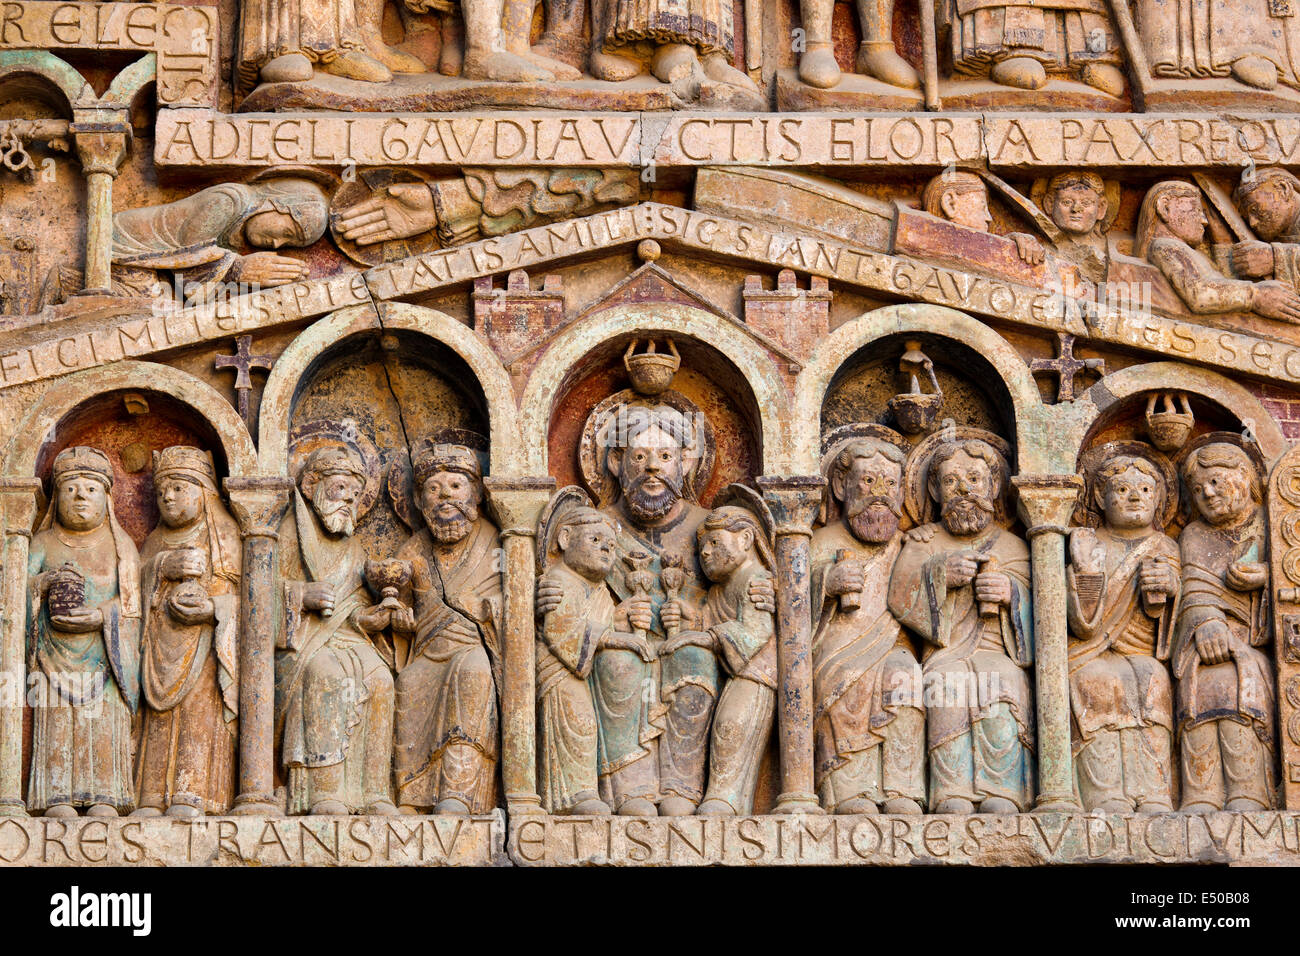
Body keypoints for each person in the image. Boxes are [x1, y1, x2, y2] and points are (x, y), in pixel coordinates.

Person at [888, 438, 1035, 813]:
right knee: (946, 685)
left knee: (1002, 681)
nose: (964, 489)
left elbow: (1046, 618)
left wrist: (1011, 595)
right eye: (951, 481)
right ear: (935, 490)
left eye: (974, 478)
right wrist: (940, 575)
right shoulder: (924, 541)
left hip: (999, 653)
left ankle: (1003, 791)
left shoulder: (1014, 546)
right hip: (945, 653)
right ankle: (950, 792)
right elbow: (900, 598)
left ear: (994, 485)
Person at [276, 444, 397, 815]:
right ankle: (323, 791)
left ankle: (373, 791)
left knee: (381, 679)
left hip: (345, 636)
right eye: (340, 488)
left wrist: (366, 619)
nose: (348, 499)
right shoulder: (286, 534)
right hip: (301, 642)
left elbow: (354, 603)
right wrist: (299, 594)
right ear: (313, 487)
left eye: (355, 494)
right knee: (327, 674)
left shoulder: (354, 547)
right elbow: (257, 589)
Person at [811, 437, 925, 815]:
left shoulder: (910, 544)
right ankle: (849, 789)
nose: (880, 494)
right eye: (868, 482)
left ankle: (902, 788)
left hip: (893, 648)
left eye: (889, 484)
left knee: (905, 673)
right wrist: (825, 584)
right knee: (848, 678)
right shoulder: (820, 542)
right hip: (834, 648)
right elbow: (787, 607)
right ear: (842, 487)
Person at [389, 441, 503, 814]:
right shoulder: (415, 548)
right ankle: (413, 795)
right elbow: (402, 601)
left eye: (455, 486)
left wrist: (488, 609)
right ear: (420, 503)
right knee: (409, 683)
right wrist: (401, 616)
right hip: (428, 650)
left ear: (475, 493)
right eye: (433, 490)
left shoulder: (494, 542)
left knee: (473, 674)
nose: (445, 497)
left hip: (475, 646)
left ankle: (458, 794)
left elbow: (517, 601)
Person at [26, 446, 141, 817]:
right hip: (52, 652)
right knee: (57, 719)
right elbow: (15, 590)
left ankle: (105, 796)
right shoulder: (42, 544)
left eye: (90, 489)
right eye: (70, 488)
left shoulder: (122, 548)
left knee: (104, 720)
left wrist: (101, 617)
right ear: (56, 496)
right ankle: (57, 796)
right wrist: (42, 584)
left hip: (103, 655)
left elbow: (133, 609)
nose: (80, 497)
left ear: (107, 497)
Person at [1066, 451, 1179, 812]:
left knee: (1152, 679)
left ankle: (1153, 791)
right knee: (1097, 682)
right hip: (1089, 652)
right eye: (1123, 489)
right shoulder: (1085, 542)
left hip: (1141, 653)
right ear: (1099, 497)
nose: (1135, 497)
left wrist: (1169, 587)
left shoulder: (1165, 546)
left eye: (1145, 489)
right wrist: (1087, 576)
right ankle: (1105, 792)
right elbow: (1081, 624)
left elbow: (1170, 617)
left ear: (1159, 499)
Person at [134, 446, 242, 817]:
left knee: (200, 711)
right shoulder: (153, 542)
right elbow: (132, 591)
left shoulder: (225, 536)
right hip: (160, 646)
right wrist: (162, 566)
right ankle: (149, 797)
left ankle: (193, 793)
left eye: (179, 487)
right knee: (157, 716)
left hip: (208, 646)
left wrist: (214, 608)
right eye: (162, 490)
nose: (168, 496)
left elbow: (252, 601)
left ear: (204, 491)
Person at [1174, 442, 1276, 811]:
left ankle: (1249, 792)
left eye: (1216, 482)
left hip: (1260, 644)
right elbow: (1194, 589)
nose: (1208, 494)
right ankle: (1202, 794)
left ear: (1245, 478)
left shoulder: (1274, 523)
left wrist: (1269, 577)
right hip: (1208, 643)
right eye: (1198, 490)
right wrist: (1206, 623)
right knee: (1199, 683)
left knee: (1239, 682)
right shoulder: (1195, 535)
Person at [1135, 180, 1300, 323]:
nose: (1203, 220)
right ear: (1165, 208)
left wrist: (1222, 243)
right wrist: (1255, 295)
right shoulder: (1165, 247)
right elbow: (1198, 293)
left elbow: (1224, 279)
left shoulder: (1190, 252)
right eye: (1196, 211)